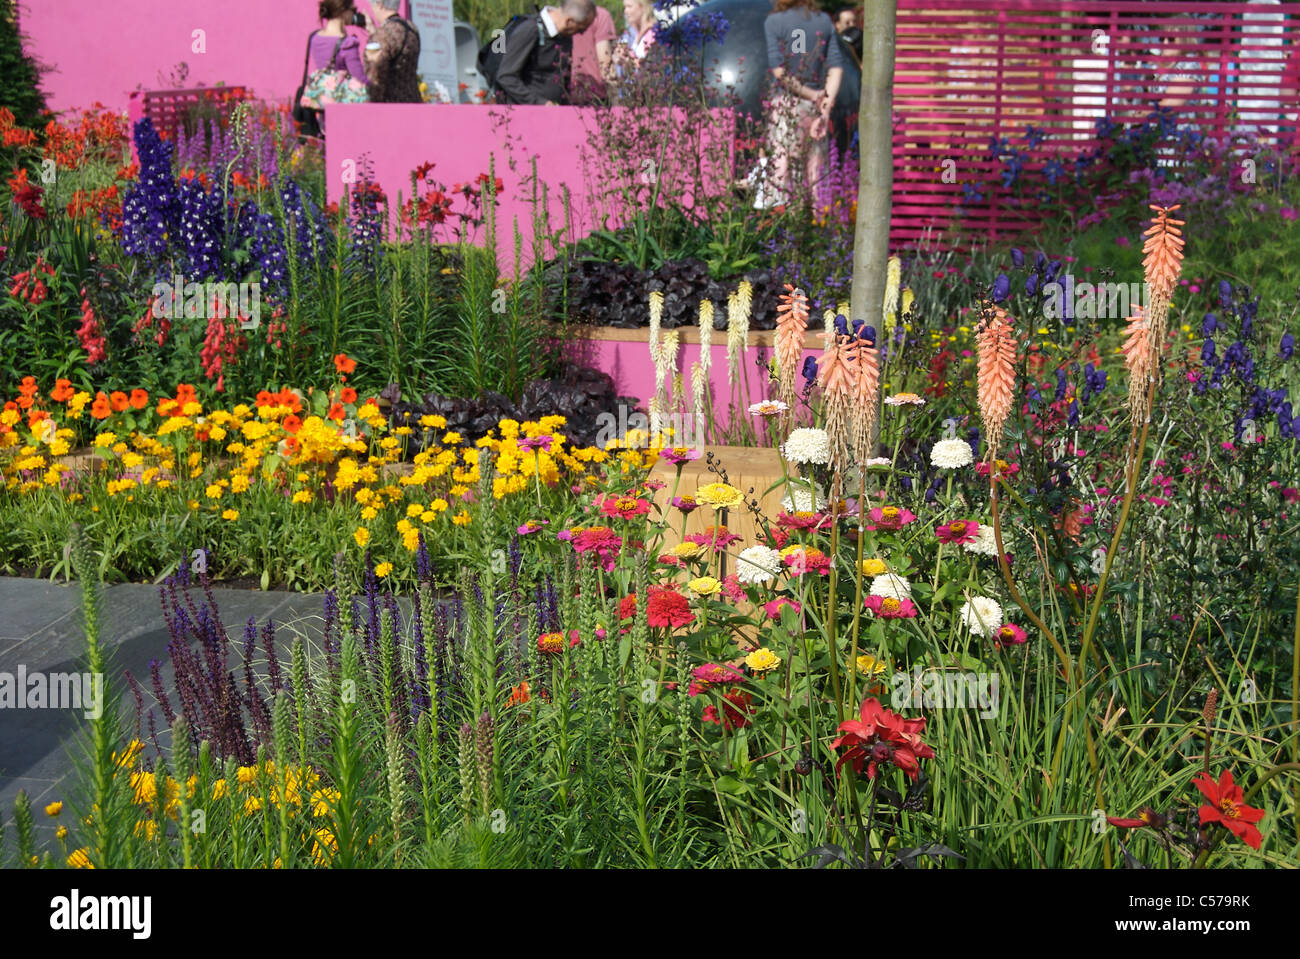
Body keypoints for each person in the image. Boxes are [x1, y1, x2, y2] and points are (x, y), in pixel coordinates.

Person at [760, 0, 844, 207]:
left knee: (782, 169)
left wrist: (810, 94)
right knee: (817, 172)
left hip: (785, 105)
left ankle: (780, 226)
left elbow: (780, 71)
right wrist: (824, 109)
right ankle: (819, 225)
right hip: (815, 110)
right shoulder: (824, 20)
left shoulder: (774, 21)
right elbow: (836, 68)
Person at [495, 0, 597, 105]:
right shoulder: (530, 30)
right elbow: (506, 76)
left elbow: (563, 79)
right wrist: (539, 103)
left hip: (554, 114)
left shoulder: (565, 37)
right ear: (569, 21)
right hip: (524, 113)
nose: (581, 33)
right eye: (581, 29)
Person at [363, 0, 422, 103]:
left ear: (380, 4)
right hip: (412, 100)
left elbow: (376, 73)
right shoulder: (411, 28)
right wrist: (375, 32)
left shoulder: (384, 34)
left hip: (390, 104)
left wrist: (371, 102)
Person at [570, 2, 617, 104]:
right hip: (595, 95)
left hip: (566, 93)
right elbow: (605, 62)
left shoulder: (565, 15)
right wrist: (615, 100)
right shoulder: (599, 15)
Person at [311, 0, 368, 82]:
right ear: (344, 12)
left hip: (322, 92)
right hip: (341, 93)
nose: (354, 14)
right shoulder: (347, 44)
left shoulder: (315, 38)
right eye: (353, 10)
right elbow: (360, 80)